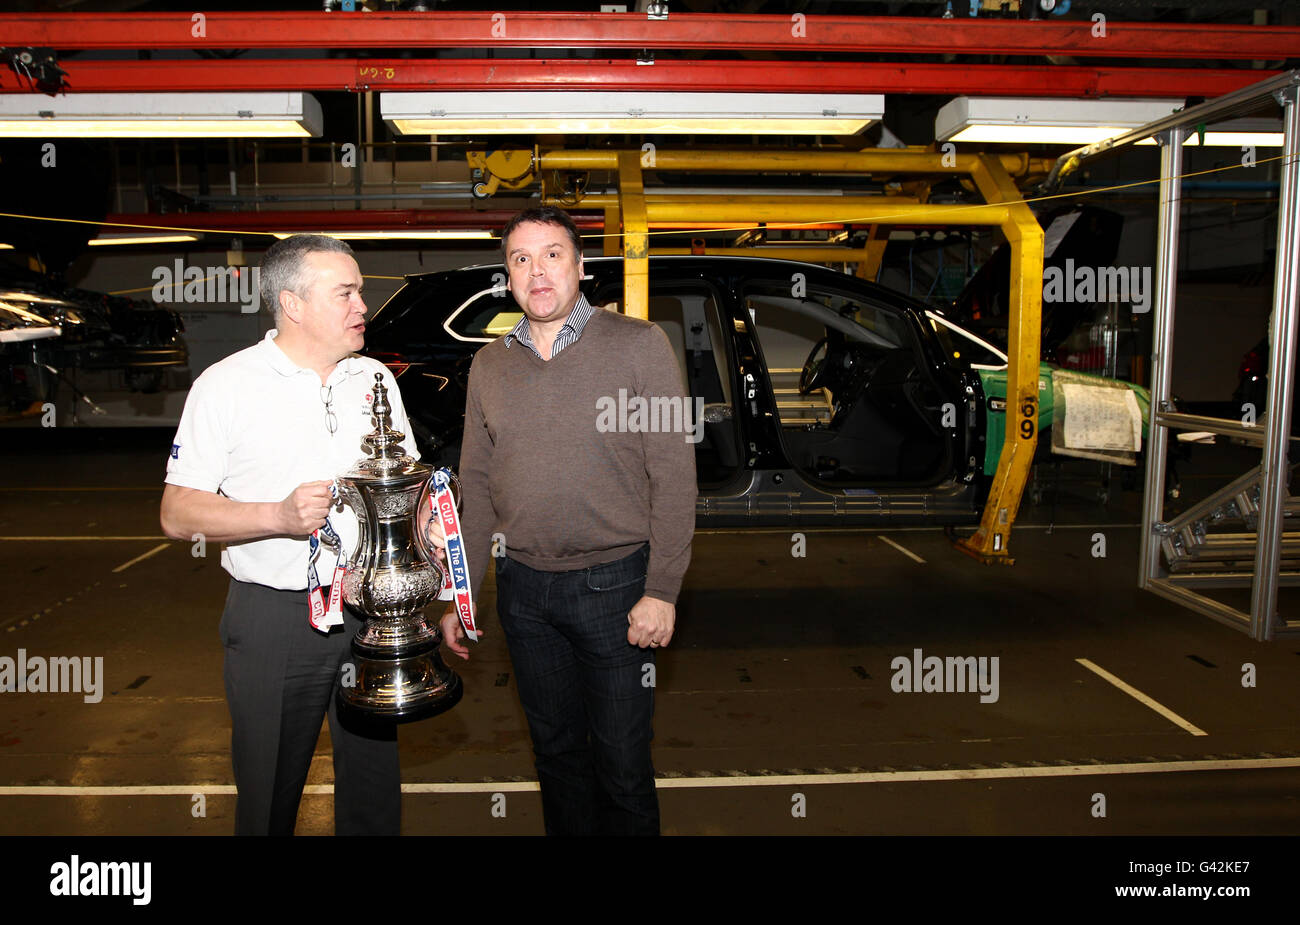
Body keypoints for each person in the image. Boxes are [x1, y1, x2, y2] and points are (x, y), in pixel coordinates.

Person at [431, 206, 697, 835]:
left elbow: (674, 475)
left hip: (617, 588)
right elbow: (475, 488)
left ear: (579, 266)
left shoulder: (639, 345)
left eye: (551, 254)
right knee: (556, 759)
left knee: (622, 764)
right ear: (508, 277)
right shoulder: (490, 365)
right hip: (523, 592)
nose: (537, 271)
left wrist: (661, 589)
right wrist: (459, 597)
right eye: (520, 260)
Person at [160, 234, 408, 836]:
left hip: (367, 612)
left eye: (361, 292)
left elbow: (400, 482)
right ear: (292, 304)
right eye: (345, 293)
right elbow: (177, 511)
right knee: (269, 791)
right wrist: (276, 516)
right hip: (273, 618)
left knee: (374, 791)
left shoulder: (374, 378)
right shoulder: (225, 385)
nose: (362, 307)